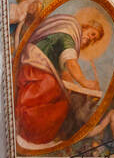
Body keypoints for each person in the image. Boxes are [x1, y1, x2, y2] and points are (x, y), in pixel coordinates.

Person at [14, 15, 105, 147]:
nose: (90, 39)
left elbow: (64, 73)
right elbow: (71, 64)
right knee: (50, 85)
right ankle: (24, 121)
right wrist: (85, 83)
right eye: (92, 34)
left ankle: (36, 133)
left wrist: (75, 86)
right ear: (85, 27)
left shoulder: (71, 39)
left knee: (64, 103)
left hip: (42, 69)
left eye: (93, 39)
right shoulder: (68, 33)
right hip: (34, 64)